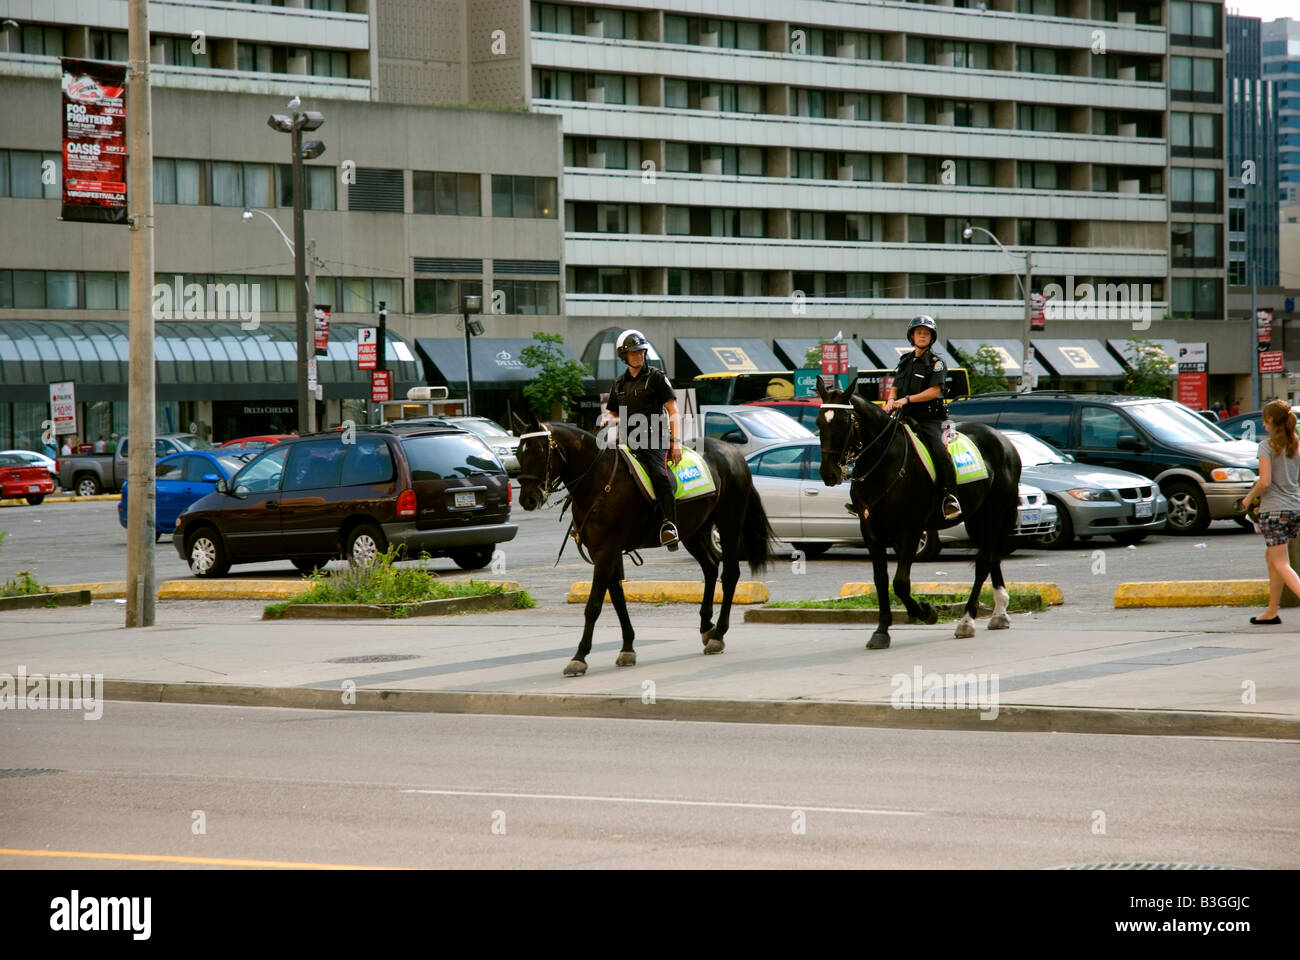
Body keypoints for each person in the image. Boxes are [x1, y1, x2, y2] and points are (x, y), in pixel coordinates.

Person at [604, 329, 682, 549]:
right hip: (627, 442)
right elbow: (614, 413)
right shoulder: (618, 383)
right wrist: (606, 419)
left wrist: (675, 443)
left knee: (659, 476)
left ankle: (670, 526)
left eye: (641, 351)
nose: (638, 355)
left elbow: (672, 409)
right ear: (624, 356)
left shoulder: (656, 377)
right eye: (633, 353)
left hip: (655, 440)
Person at [884, 315, 961, 521]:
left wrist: (907, 399)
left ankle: (950, 497)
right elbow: (895, 386)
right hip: (903, 416)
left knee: (940, 453)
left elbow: (934, 392)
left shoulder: (937, 363)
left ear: (931, 337)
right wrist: (890, 400)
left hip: (928, 419)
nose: (922, 336)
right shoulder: (905, 360)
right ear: (912, 336)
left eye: (926, 333)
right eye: (918, 333)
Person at [1241, 399, 1300, 624]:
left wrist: (1248, 499)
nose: (1263, 423)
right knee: (1273, 559)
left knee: (1281, 563)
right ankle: (1271, 611)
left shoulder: (1266, 446)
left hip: (1274, 510)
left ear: (1271, 420)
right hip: (1294, 509)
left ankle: (1272, 611)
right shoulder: (1295, 444)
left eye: (1265, 419)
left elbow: (1264, 482)